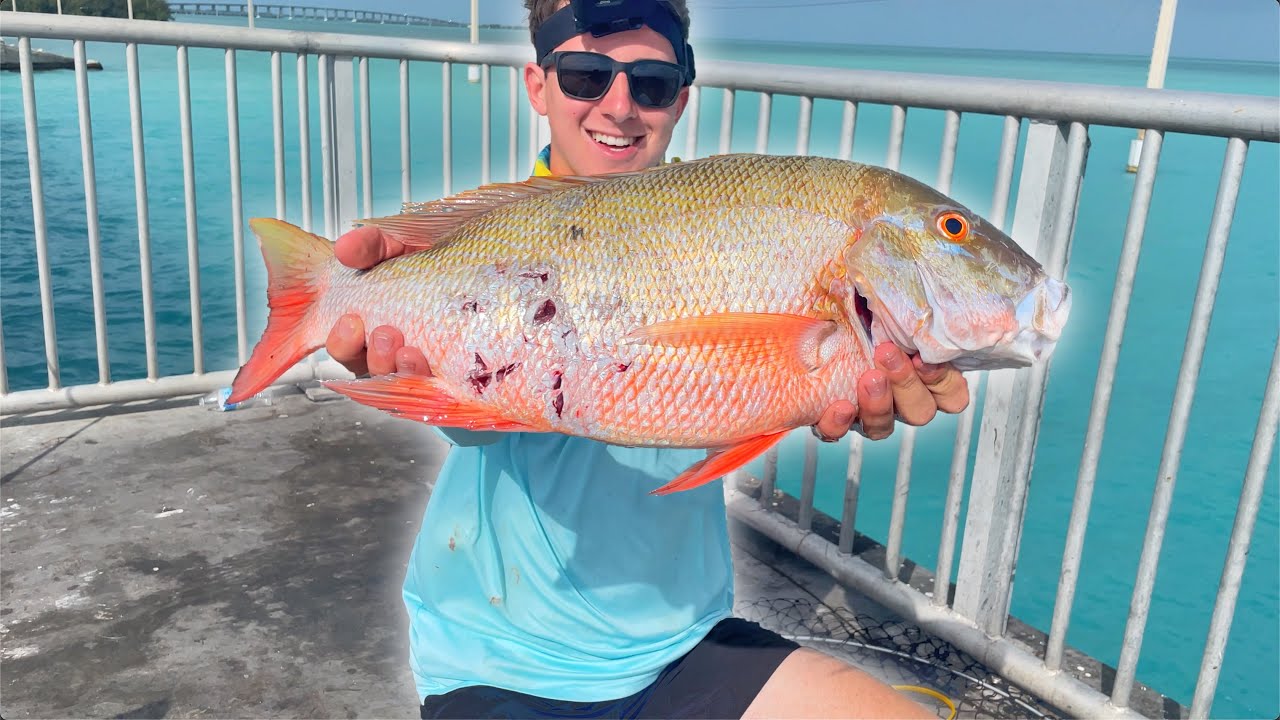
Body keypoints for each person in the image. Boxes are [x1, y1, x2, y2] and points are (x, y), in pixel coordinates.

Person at [325, 2, 968, 717]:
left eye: (653, 83)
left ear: (681, 100)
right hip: (499, 658)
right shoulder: (504, 235)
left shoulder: (728, 222)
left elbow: (765, 381)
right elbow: (481, 424)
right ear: (539, 86)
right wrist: (402, 363)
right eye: (585, 75)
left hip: (680, 642)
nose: (620, 105)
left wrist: (830, 390)